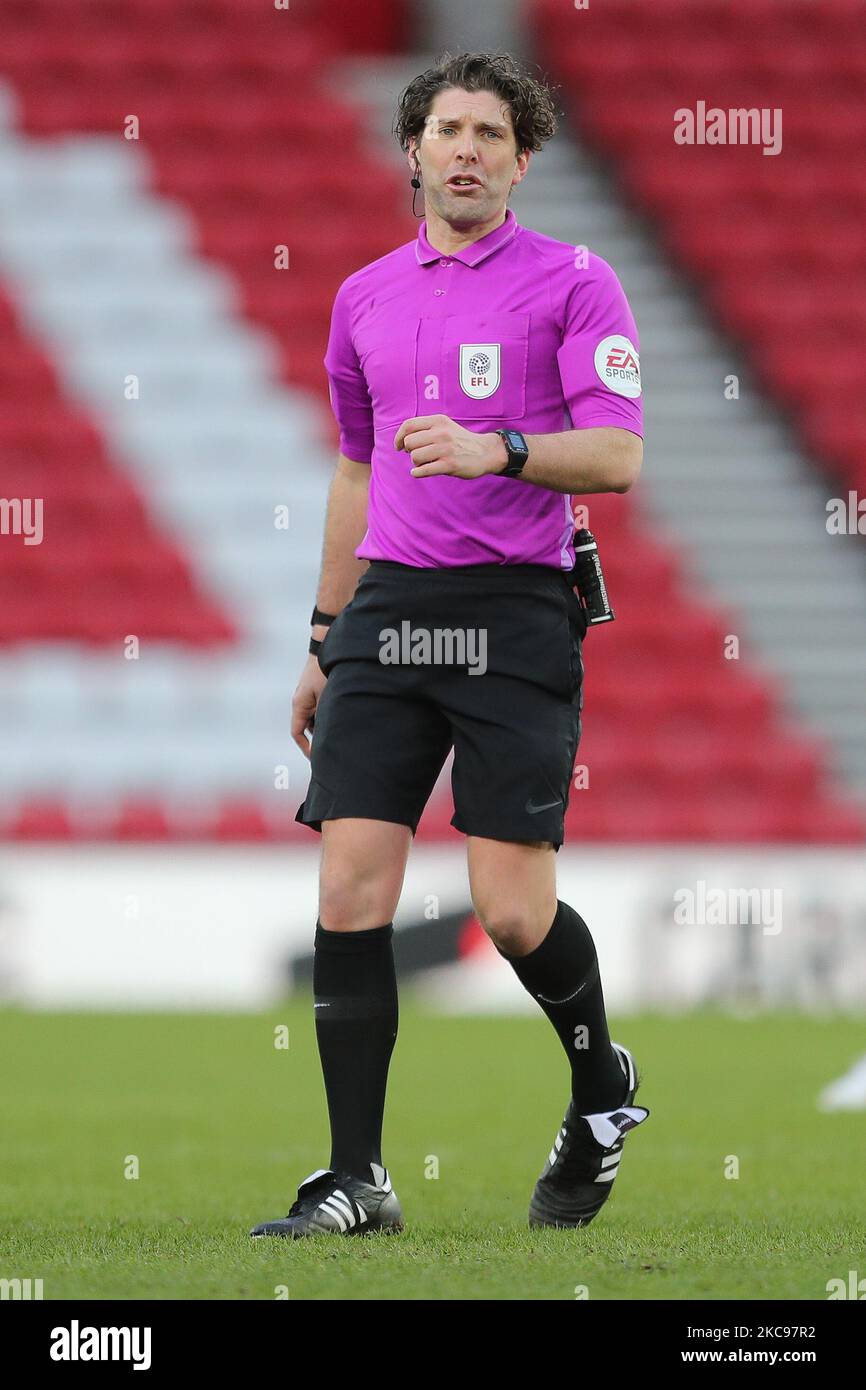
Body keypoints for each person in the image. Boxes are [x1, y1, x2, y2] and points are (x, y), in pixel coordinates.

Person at [251, 51, 649, 1240]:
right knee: (348, 876)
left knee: (511, 908)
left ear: (521, 159)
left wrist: (503, 449)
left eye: (488, 131)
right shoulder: (364, 294)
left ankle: (599, 1091)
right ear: (412, 151)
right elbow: (355, 465)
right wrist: (324, 633)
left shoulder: (577, 283)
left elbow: (619, 457)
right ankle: (355, 1178)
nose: (464, 148)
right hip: (389, 611)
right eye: (444, 129)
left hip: (514, 612)